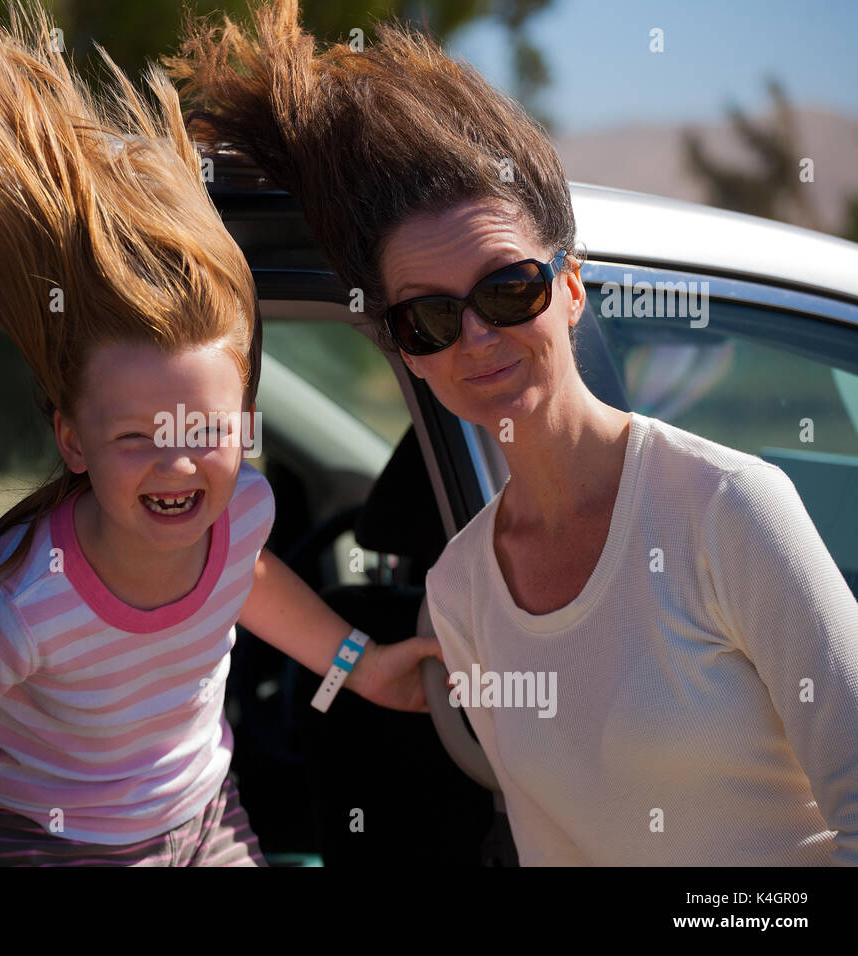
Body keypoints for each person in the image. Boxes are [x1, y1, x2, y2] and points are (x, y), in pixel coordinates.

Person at [167, 0, 858, 865]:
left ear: (570, 291)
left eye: (508, 289)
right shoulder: (459, 593)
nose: (477, 338)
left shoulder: (729, 509)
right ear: (407, 354)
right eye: (429, 319)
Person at [0, 0, 435, 866]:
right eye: (136, 438)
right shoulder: (19, 609)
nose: (178, 461)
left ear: (245, 424)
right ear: (72, 442)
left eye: (205, 427)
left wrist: (364, 663)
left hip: (207, 816)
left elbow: (249, 578)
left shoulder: (242, 509)